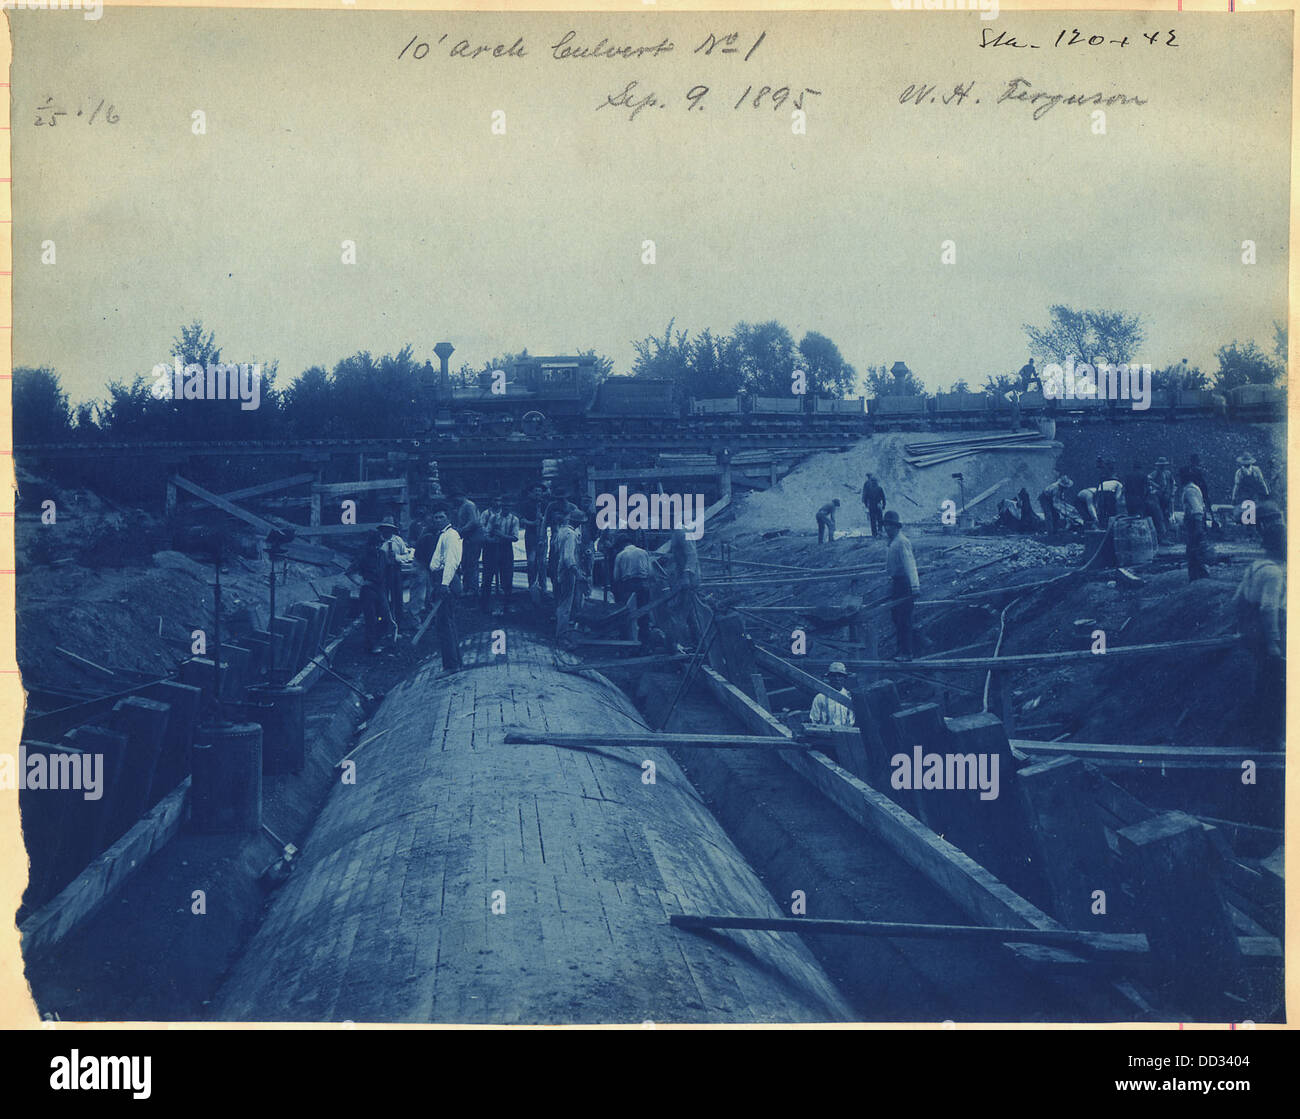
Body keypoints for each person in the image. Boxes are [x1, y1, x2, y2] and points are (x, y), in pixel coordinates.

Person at [1232, 519, 1285, 748]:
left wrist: (1241, 627)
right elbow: (1268, 607)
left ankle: (1257, 732)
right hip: (1267, 635)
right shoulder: (1274, 573)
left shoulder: (1255, 566)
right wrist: (1273, 643)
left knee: (1263, 681)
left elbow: (1237, 599)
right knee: (1275, 685)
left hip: (1252, 632)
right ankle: (1272, 738)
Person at [427, 511, 463, 672]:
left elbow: (451, 561)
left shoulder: (451, 535)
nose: (438, 520)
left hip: (446, 580)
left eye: (441, 516)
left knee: (445, 625)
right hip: (439, 579)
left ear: (448, 518)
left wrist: (444, 584)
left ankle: (451, 665)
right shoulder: (443, 535)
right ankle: (455, 661)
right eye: (435, 517)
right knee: (446, 624)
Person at [883, 510, 920, 661]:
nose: (887, 528)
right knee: (896, 617)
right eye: (885, 525)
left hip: (904, 584)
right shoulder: (892, 542)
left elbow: (910, 564)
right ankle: (904, 648)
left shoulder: (902, 542)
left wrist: (915, 586)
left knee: (904, 619)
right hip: (896, 583)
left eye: (890, 526)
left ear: (896, 526)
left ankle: (907, 652)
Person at [479, 493, 520, 612]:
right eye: (504, 506)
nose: (506, 508)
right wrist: (491, 540)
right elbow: (486, 532)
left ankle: (507, 604)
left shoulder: (514, 520)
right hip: (492, 548)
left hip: (506, 549)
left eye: (508, 506)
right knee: (488, 576)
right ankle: (484, 604)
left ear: (511, 507)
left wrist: (502, 536)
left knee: (507, 576)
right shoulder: (493, 517)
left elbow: (515, 537)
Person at [353, 529, 391, 654]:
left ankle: (378, 639)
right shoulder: (363, 556)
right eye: (374, 544)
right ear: (370, 544)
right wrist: (361, 582)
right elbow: (349, 572)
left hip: (380, 589)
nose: (377, 547)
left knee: (384, 616)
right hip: (368, 590)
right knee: (371, 618)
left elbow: (387, 569)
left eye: (379, 544)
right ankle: (372, 645)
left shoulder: (383, 555)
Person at [613, 533, 655, 645]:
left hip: (628, 585)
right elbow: (651, 573)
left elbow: (616, 577)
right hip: (643, 584)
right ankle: (645, 644)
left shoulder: (621, 555)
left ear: (622, 544)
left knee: (626, 615)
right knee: (644, 614)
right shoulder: (643, 552)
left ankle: (627, 644)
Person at [554, 510, 585, 649]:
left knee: (562, 603)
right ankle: (561, 637)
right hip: (568, 572)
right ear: (577, 522)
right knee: (565, 606)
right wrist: (576, 572)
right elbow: (568, 557)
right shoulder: (571, 535)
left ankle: (561, 633)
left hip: (560, 569)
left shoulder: (561, 531)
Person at [1179, 466, 1211, 582]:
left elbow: (1197, 509)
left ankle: (1198, 578)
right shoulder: (1194, 488)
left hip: (1194, 522)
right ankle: (1198, 577)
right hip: (1194, 521)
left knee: (1194, 551)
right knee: (1195, 550)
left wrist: (1198, 527)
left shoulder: (1190, 491)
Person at [451, 490, 483, 597]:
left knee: (472, 563)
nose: (455, 500)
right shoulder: (461, 507)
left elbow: (473, 521)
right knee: (465, 562)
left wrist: (461, 530)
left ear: (461, 495)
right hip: (467, 538)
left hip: (474, 537)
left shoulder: (469, 505)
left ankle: (473, 589)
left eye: (456, 497)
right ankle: (467, 587)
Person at [519, 484, 547, 591]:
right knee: (531, 562)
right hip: (531, 536)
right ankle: (532, 587)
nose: (538, 494)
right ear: (531, 493)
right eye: (535, 492)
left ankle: (543, 588)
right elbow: (522, 520)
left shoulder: (545, 504)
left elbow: (550, 519)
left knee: (543, 562)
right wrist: (532, 523)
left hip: (542, 536)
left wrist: (543, 519)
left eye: (539, 492)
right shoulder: (526, 504)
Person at [809, 662, 856, 726]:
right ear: (829, 678)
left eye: (840, 676)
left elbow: (851, 721)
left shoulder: (849, 697)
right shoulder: (820, 697)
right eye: (833, 676)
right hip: (824, 733)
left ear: (844, 678)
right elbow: (814, 720)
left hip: (845, 733)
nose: (837, 679)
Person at [1231, 454, 1270, 522]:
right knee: (1245, 514)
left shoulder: (1256, 470)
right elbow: (1236, 486)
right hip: (1243, 496)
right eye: (1245, 463)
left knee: (1256, 513)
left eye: (1248, 462)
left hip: (1254, 495)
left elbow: (1261, 482)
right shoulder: (1239, 472)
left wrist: (1266, 493)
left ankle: (1256, 527)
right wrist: (1233, 498)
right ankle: (1247, 528)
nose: (1246, 464)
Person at [1147, 457, 1175, 535]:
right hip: (1158, 496)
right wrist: (1156, 486)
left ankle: (1167, 532)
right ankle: (1161, 533)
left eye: (1164, 465)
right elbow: (1148, 480)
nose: (1162, 467)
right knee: (1159, 515)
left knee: (1167, 514)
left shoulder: (1168, 473)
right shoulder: (1155, 473)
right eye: (1161, 465)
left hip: (1167, 496)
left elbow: (1172, 483)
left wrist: (1172, 492)